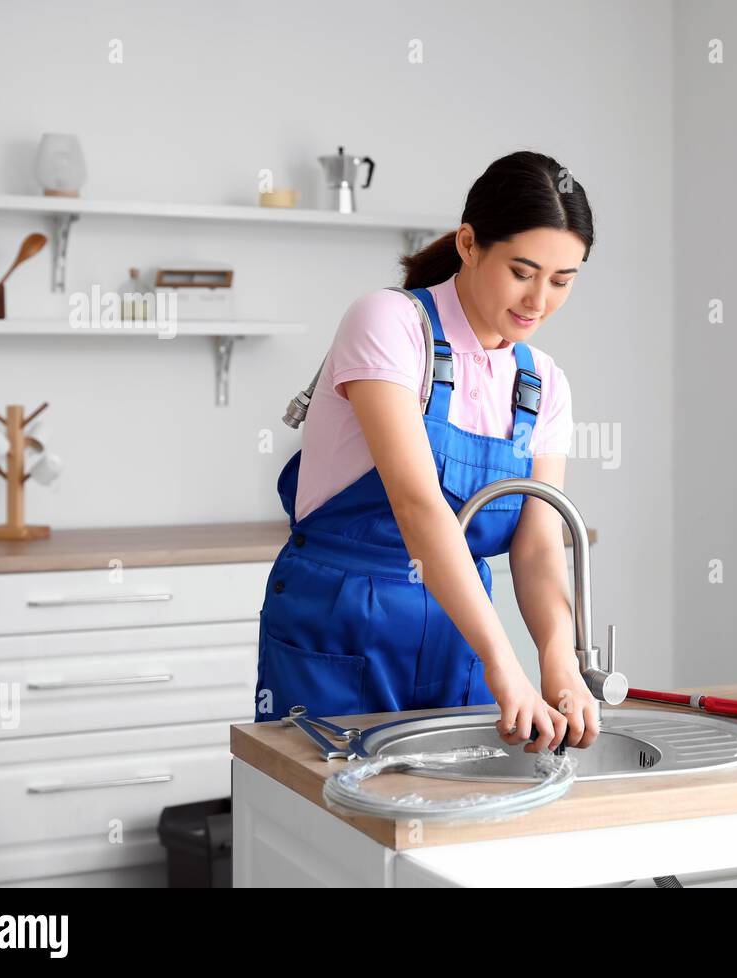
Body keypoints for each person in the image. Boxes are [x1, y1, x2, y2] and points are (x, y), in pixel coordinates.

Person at [255, 150, 597, 754]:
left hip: (457, 630)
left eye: (562, 280)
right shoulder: (389, 323)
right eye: (523, 271)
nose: (539, 299)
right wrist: (502, 661)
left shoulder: (543, 384)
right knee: (326, 822)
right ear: (469, 244)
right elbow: (418, 507)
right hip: (340, 619)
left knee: (448, 819)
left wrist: (557, 659)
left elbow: (538, 543)